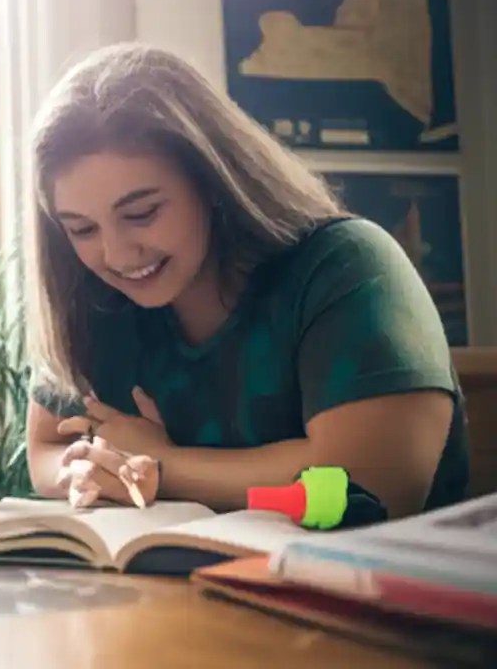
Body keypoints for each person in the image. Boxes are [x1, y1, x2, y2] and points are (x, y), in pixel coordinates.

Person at [24, 43, 468, 520]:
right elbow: (46, 445)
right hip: (173, 586)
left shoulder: (346, 266)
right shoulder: (93, 299)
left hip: (376, 584)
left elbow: (368, 486)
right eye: (81, 229)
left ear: (213, 179)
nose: (114, 255)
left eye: (141, 213)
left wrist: (165, 467)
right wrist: (83, 471)